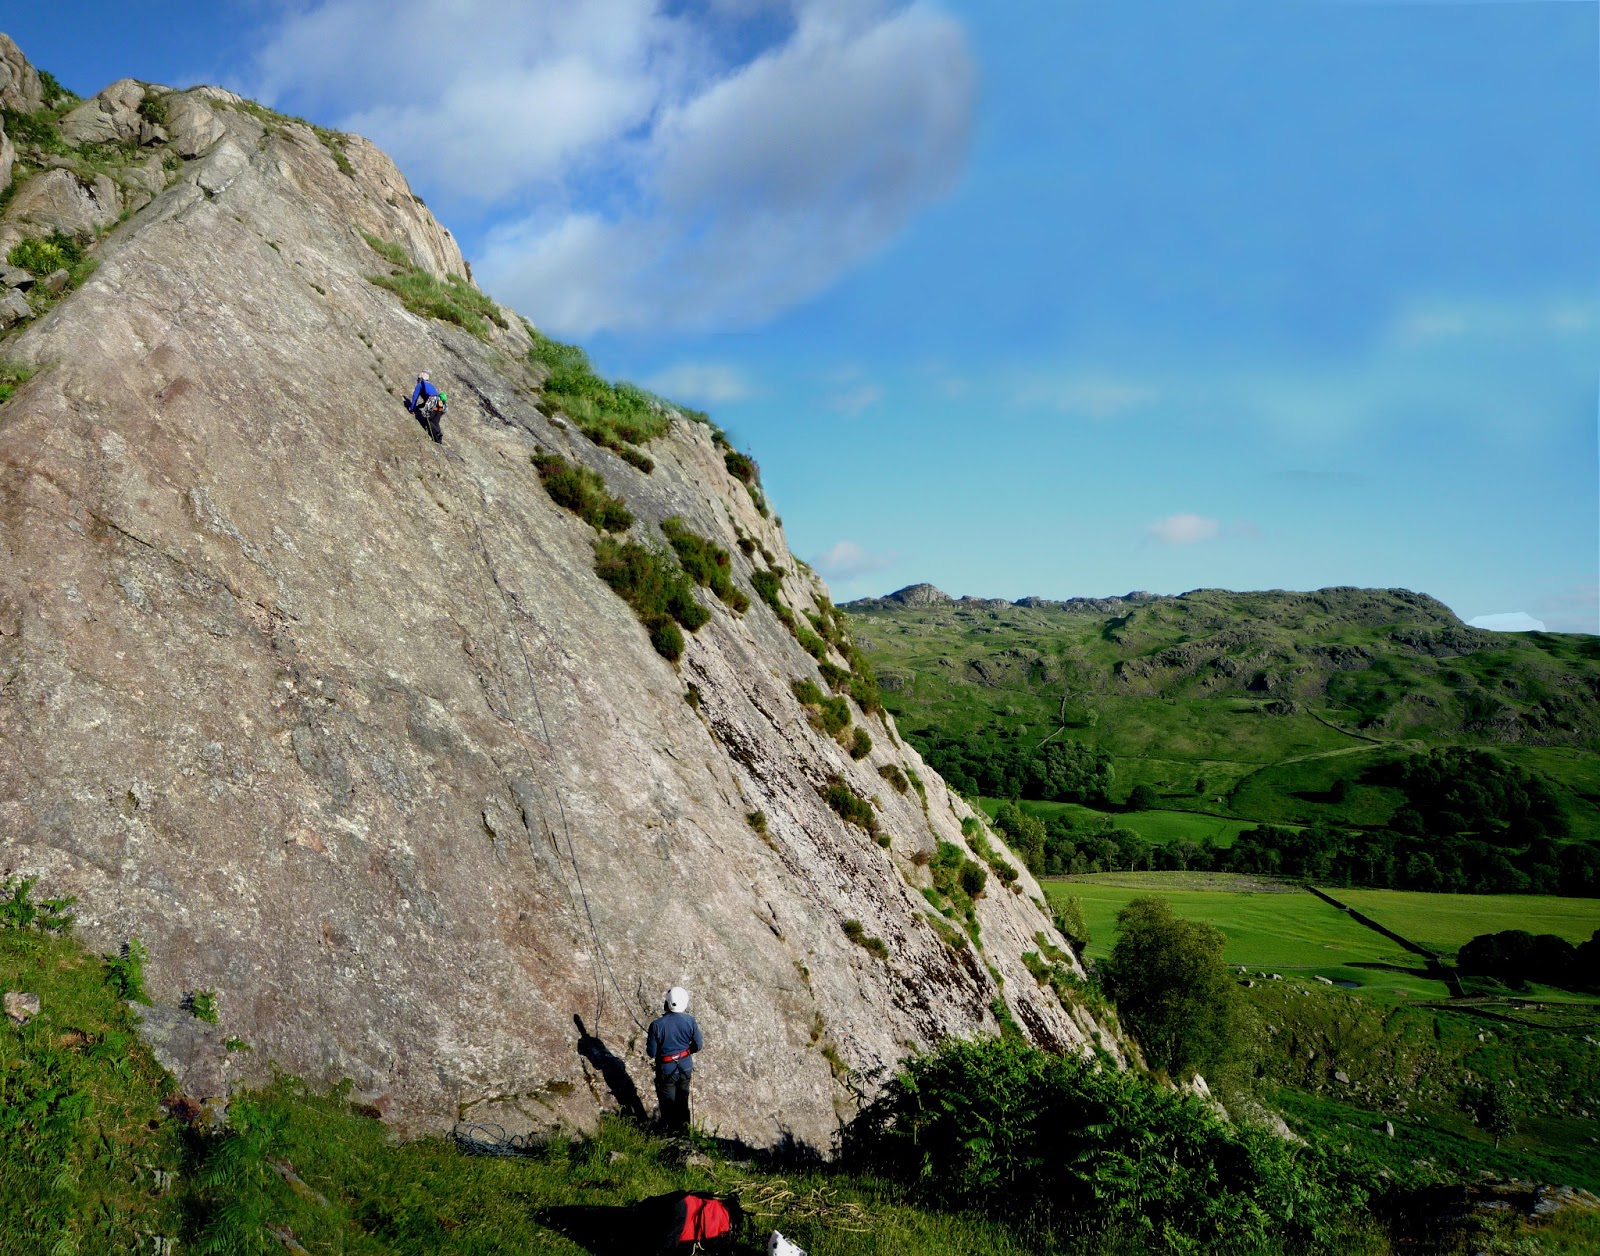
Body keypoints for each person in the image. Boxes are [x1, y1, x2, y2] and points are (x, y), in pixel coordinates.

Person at [645, 986, 702, 1133]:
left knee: (668, 1105)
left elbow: (651, 1053)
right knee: (682, 1102)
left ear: (667, 1003)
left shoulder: (656, 1025)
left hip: (666, 1069)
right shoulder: (690, 1021)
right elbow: (698, 1045)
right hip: (685, 1067)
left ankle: (669, 1134)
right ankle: (685, 1133)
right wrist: (686, 1051)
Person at [408, 371, 444, 444]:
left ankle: (437, 433)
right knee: (435, 421)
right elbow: (428, 400)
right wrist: (419, 406)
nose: (417, 380)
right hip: (440, 404)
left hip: (432, 403)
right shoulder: (431, 385)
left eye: (418, 378)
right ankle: (438, 438)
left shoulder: (420, 385)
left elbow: (415, 397)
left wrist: (412, 409)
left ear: (421, 379)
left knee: (429, 420)